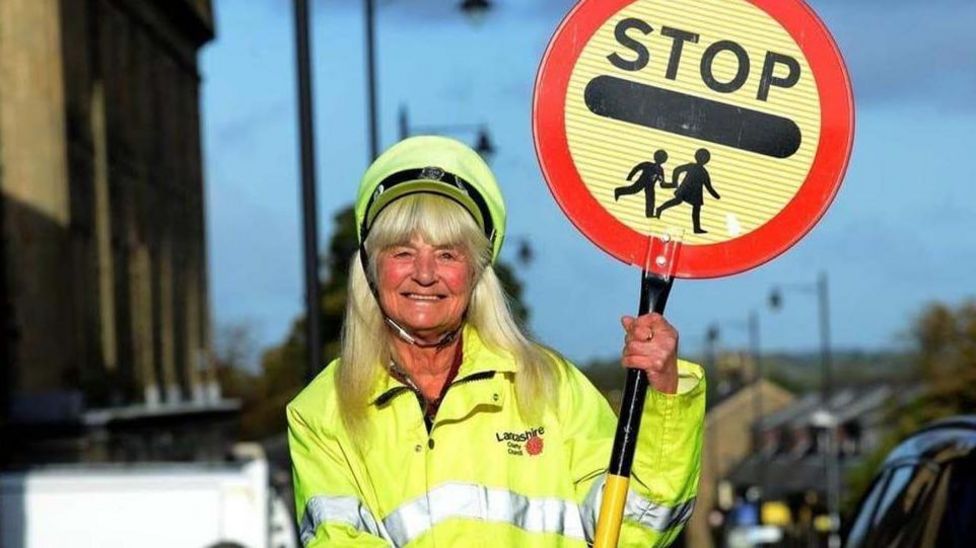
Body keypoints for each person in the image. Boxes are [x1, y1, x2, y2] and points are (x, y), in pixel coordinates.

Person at [287, 136, 705, 547]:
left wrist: (665, 393)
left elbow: (639, 527)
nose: (425, 273)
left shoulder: (550, 385)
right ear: (370, 266)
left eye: (448, 254)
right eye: (402, 252)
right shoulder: (321, 412)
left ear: (476, 271)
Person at [655, 148, 720, 234]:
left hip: (695, 192)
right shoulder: (692, 166)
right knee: (678, 201)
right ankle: (659, 209)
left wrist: (717, 196)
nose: (702, 159)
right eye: (701, 156)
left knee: (696, 207)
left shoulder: (704, 172)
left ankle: (696, 228)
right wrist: (675, 182)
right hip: (686, 188)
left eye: (704, 158)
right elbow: (677, 170)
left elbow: (708, 186)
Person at [614, 149, 669, 218]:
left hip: (650, 186)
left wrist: (671, 185)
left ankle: (649, 214)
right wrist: (629, 177)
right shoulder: (647, 164)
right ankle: (618, 191)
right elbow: (636, 168)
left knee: (651, 198)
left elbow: (662, 183)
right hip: (641, 182)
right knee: (632, 190)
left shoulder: (660, 170)